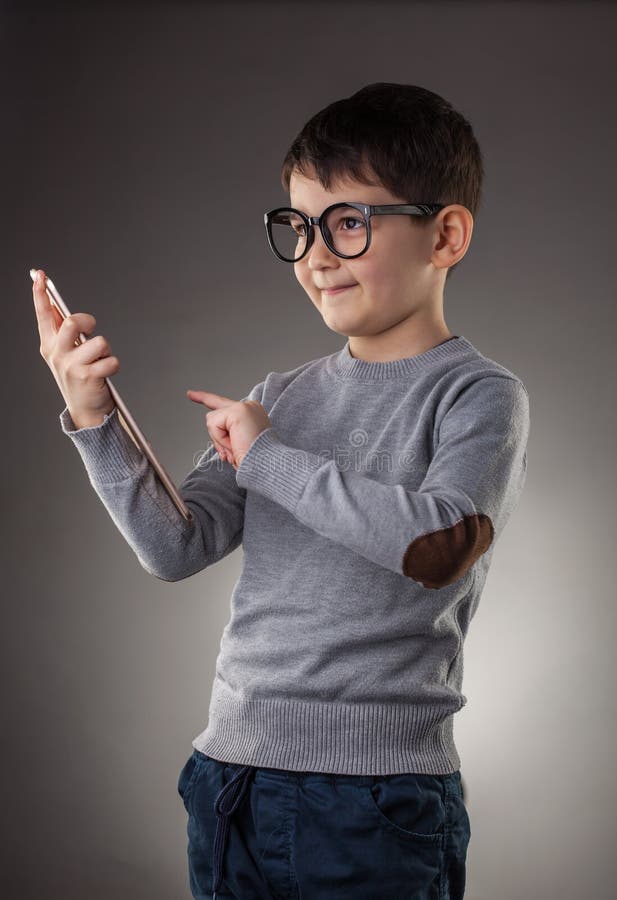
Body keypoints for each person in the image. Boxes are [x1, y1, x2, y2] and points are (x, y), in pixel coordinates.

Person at [32, 82, 530, 900]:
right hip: (228, 778)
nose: (317, 256)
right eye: (298, 226)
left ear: (445, 234)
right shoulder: (284, 395)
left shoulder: (478, 396)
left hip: (374, 802)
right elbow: (174, 545)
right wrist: (94, 415)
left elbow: (438, 547)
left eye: (349, 222)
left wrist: (267, 457)